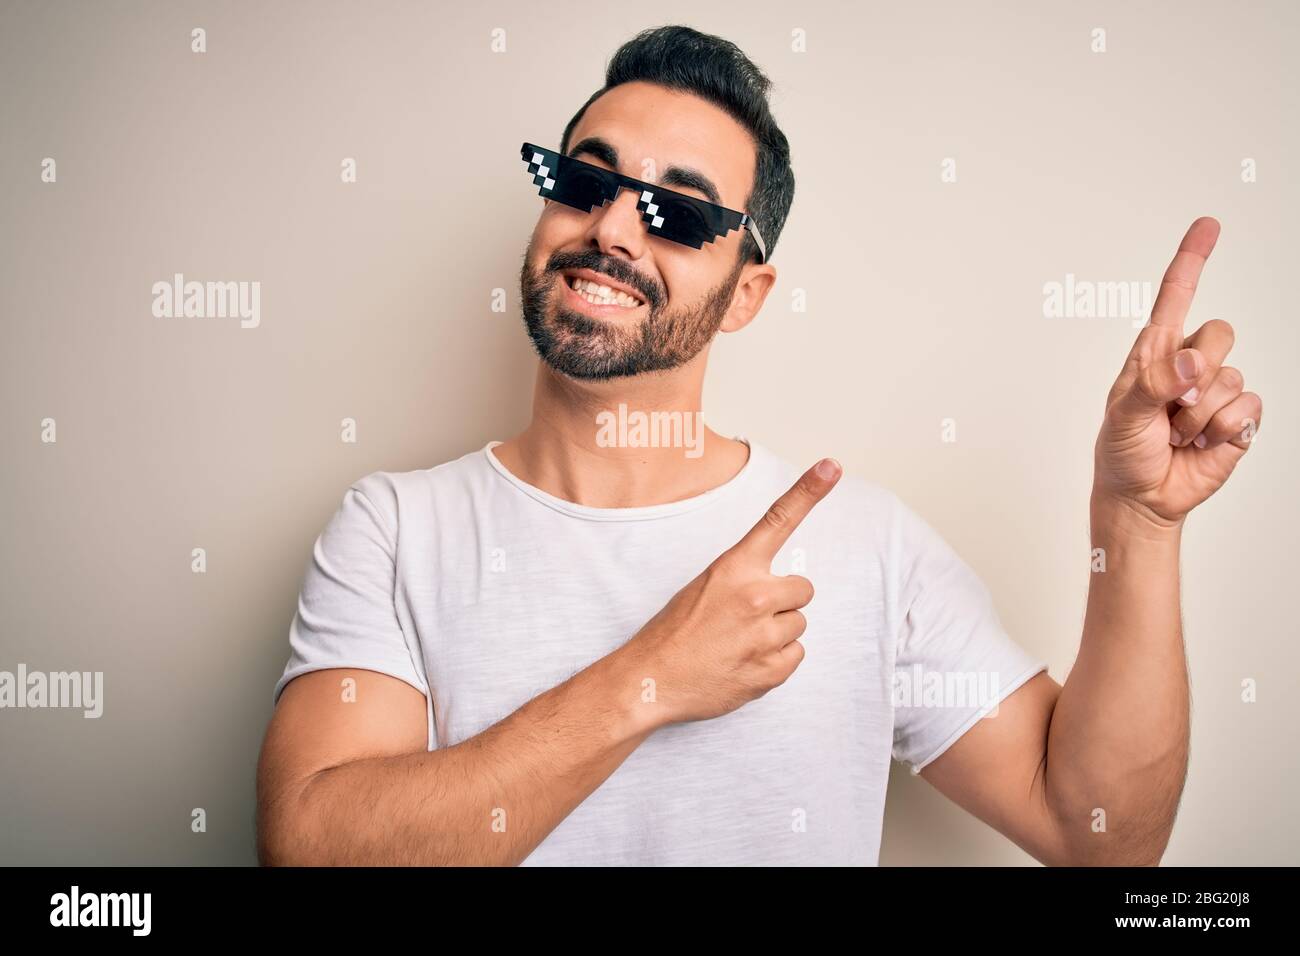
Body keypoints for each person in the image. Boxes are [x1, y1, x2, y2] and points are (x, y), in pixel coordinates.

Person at [255, 25, 1262, 866]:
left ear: (746, 293)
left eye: (680, 212)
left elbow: (1098, 830)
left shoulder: (863, 546)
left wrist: (1133, 520)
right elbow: (309, 844)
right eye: (583, 178)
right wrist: (650, 677)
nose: (610, 226)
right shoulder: (392, 527)